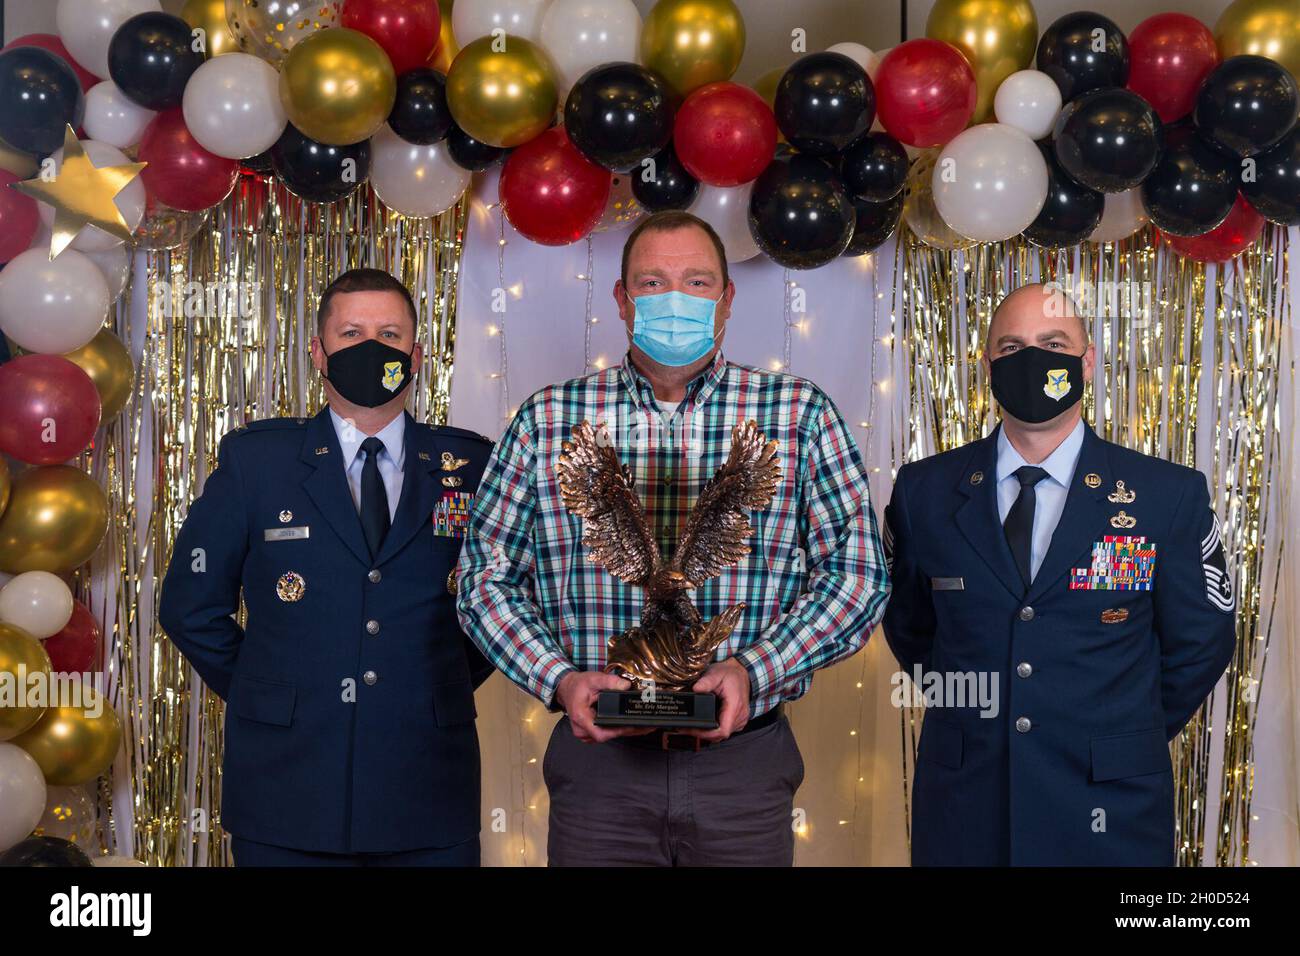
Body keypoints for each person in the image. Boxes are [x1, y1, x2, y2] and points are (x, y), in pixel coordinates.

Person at [456, 210, 890, 866]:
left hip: (743, 769)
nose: (675, 300)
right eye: (653, 284)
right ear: (623, 301)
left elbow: (858, 574)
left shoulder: (799, 415)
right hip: (599, 772)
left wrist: (753, 670)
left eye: (696, 282)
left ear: (727, 299)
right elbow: (483, 578)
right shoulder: (548, 420)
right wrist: (561, 680)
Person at [882, 282, 1237, 866]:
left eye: (1053, 342)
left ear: (1087, 362)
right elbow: (912, 629)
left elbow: (1202, 642)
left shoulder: (1164, 495)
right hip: (967, 804)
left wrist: (1120, 728)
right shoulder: (924, 490)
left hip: (1109, 806)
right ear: (988, 364)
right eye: (1013, 347)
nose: (1034, 360)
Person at [160, 268, 494, 866]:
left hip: (425, 785)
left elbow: (502, 605)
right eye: (351, 333)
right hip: (286, 787)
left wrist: (431, 685)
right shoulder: (257, 461)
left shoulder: (471, 466)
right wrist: (268, 690)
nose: (372, 348)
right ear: (318, 352)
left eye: (390, 334)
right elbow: (191, 605)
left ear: (416, 356)